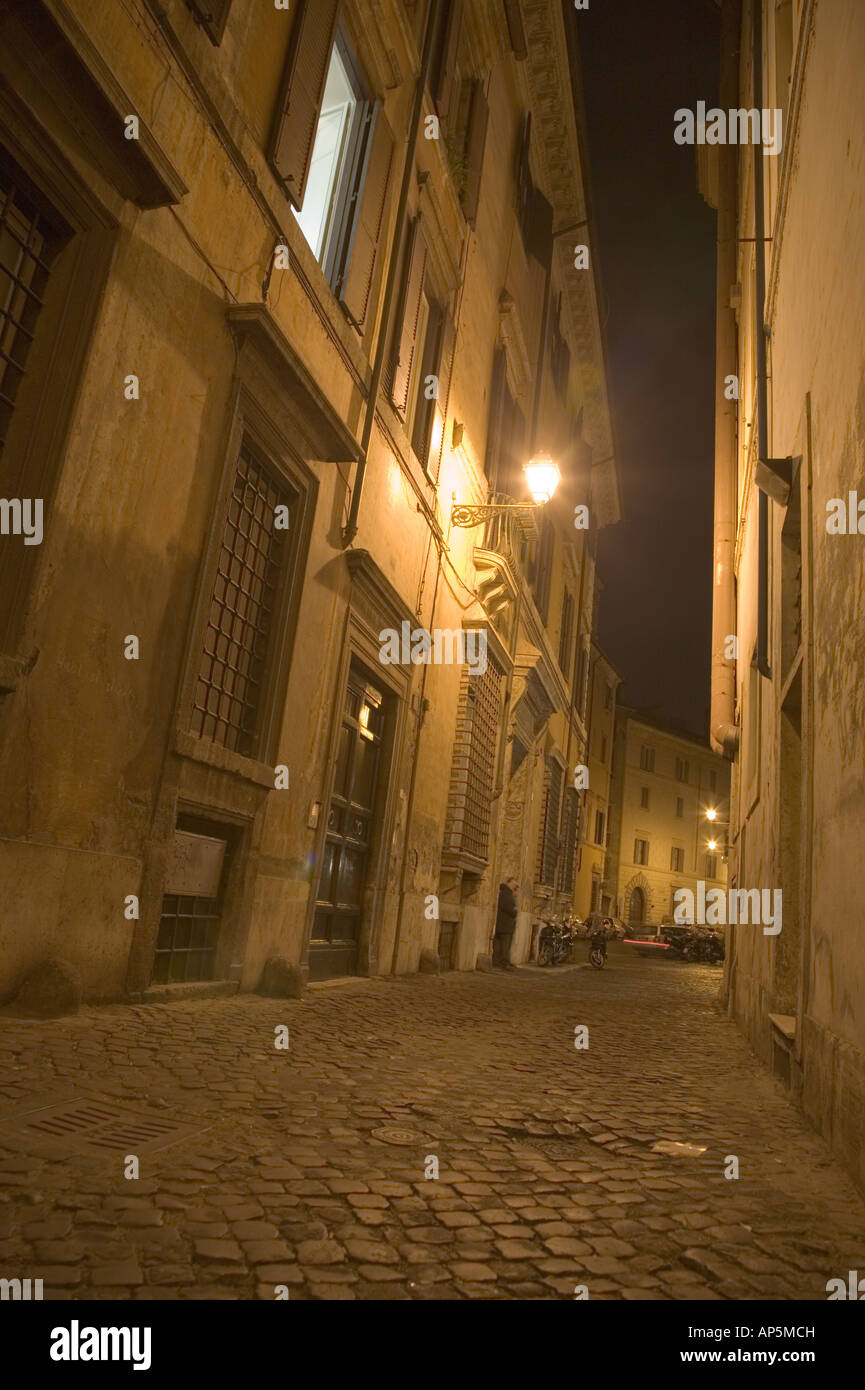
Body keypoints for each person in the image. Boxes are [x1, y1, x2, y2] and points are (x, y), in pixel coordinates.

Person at [493, 876, 519, 970]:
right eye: (514, 884)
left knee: (501, 944)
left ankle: (500, 962)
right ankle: (504, 963)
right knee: (505, 945)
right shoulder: (506, 894)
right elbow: (511, 909)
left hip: (502, 924)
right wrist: (515, 910)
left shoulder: (504, 893)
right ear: (509, 883)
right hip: (505, 925)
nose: (514, 887)